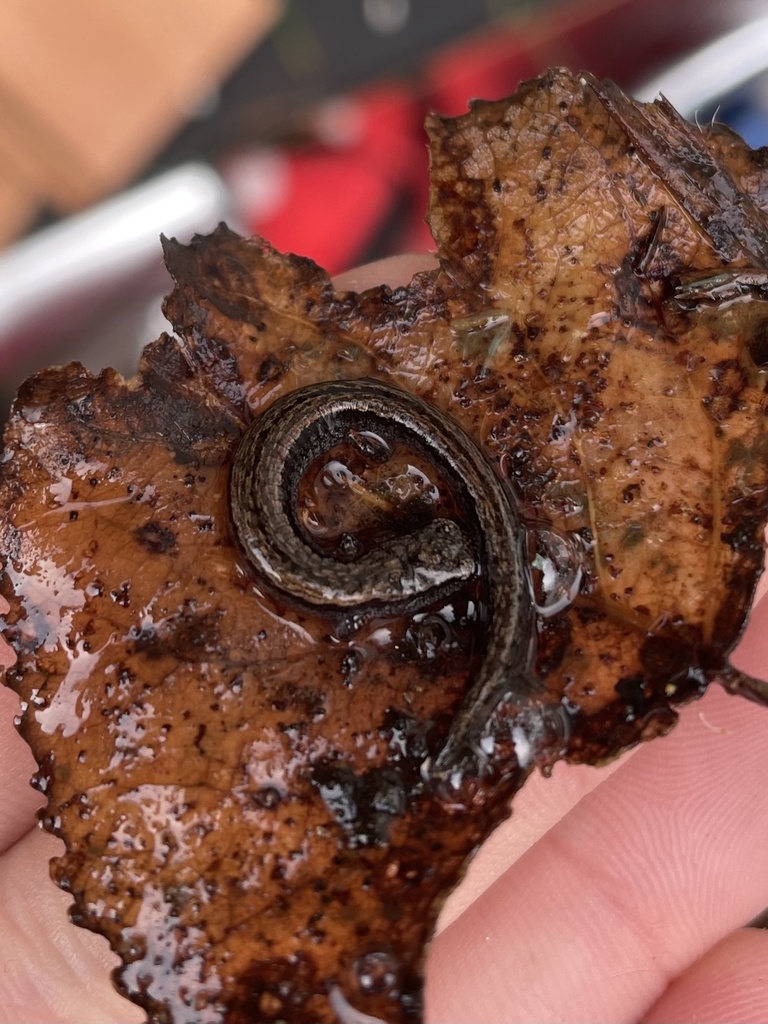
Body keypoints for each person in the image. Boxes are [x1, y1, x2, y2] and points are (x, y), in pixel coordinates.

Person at [0, 255, 766, 1023]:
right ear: (393, 576)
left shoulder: (356, 572)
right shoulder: (350, 592)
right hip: (330, 432)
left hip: (333, 425)